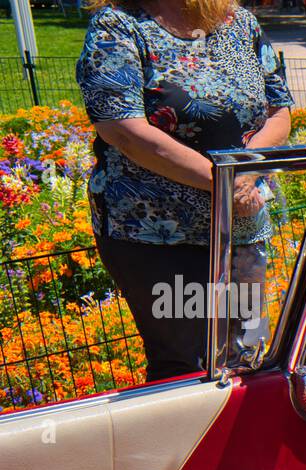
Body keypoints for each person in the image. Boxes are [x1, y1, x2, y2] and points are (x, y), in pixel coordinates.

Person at [76, 0, 292, 382]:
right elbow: (124, 130)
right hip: (158, 235)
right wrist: (225, 181)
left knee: (245, 350)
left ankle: (239, 439)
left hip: (242, 225)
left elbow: (280, 111)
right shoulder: (119, 27)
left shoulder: (239, 22)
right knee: (186, 364)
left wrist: (244, 177)